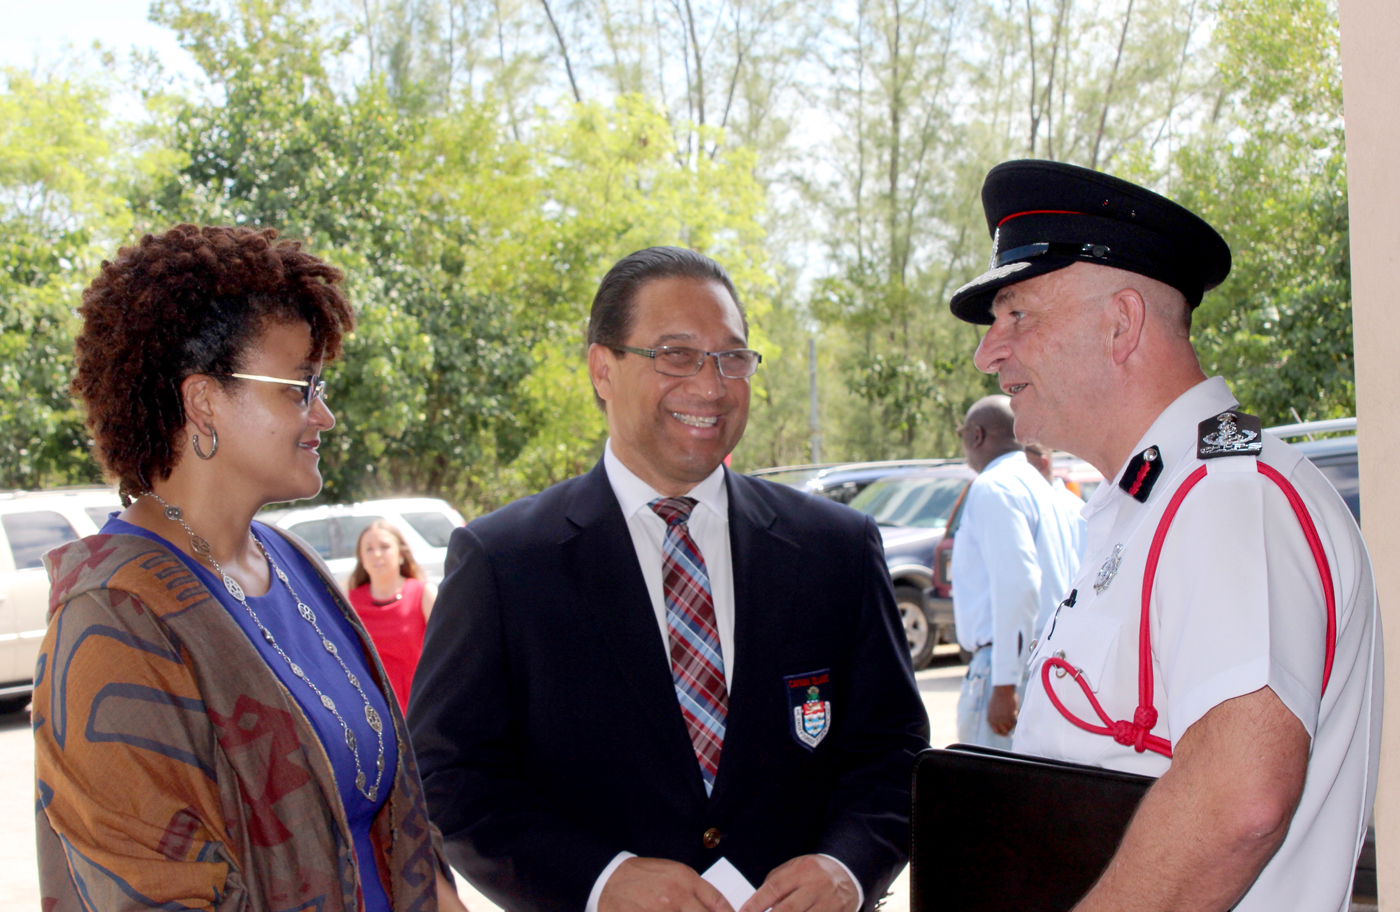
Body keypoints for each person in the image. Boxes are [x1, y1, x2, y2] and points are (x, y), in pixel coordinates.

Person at [410, 246, 929, 912]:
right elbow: (448, 779)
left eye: (732, 357)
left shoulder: (836, 547)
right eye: (676, 355)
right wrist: (600, 881)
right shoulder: (503, 561)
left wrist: (847, 868)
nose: (711, 386)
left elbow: (894, 752)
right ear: (603, 369)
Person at [950, 159, 1382, 911]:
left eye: (1018, 315)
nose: (990, 352)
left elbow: (1240, 800)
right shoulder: (1158, 498)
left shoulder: (1227, 494)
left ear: (1121, 324)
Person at [33, 224, 466, 912]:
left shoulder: (291, 563)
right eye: (298, 388)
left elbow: (404, 833)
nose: (323, 414)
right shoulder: (112, 620)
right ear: (202, 401)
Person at [950, 395, 1082, 748]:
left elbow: (1019, 585)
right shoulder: (1045, 489)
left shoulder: (995, 487)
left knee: (985, 796)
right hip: (1047, 663)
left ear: (976, 435)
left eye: (962, 434)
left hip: (1007, 666)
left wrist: (1004, 684)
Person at [347, 519, 438, 714]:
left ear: (401, 554)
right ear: (361, 558)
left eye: (385, 546)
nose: (377, 554)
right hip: (372, 710)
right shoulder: (350, 602)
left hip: (420, 707)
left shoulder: (423, 594)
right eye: (369, 548)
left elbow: (447, 653)